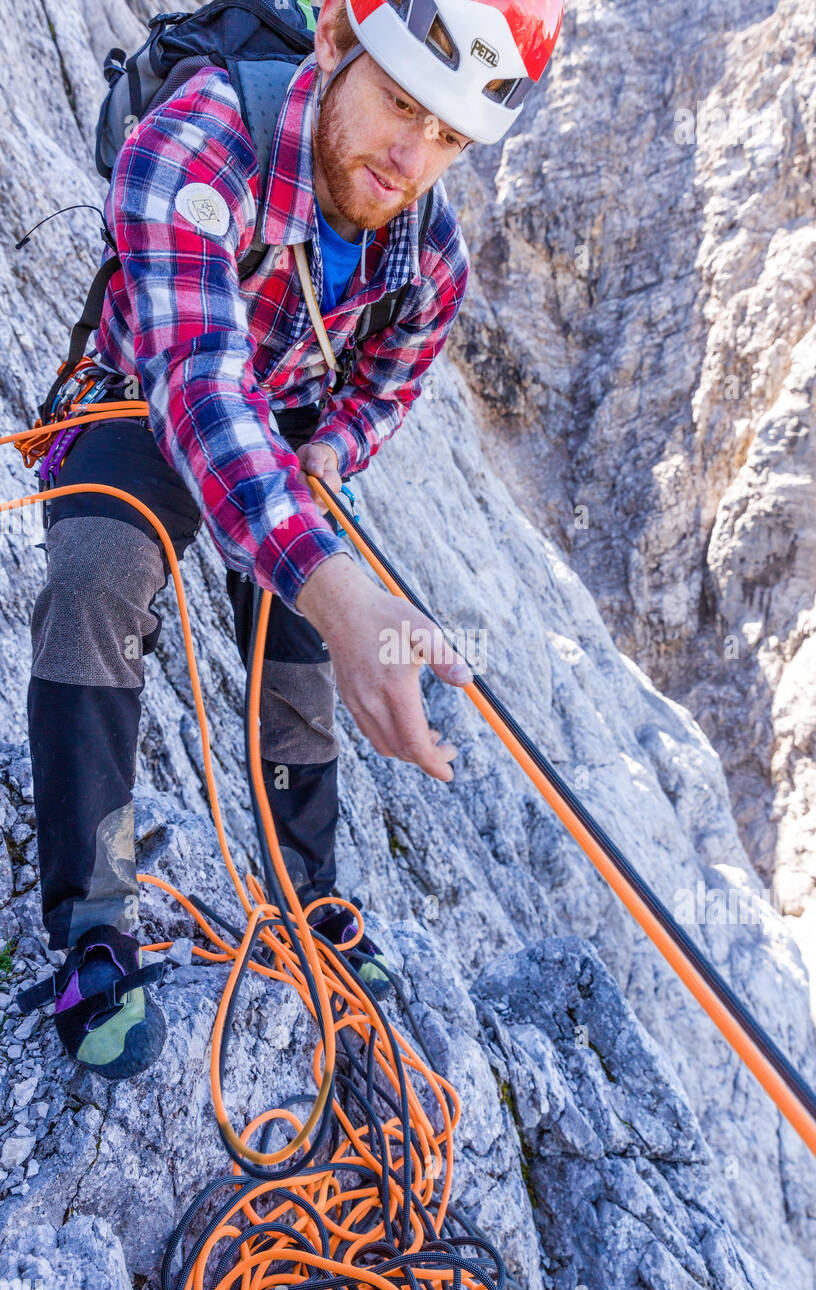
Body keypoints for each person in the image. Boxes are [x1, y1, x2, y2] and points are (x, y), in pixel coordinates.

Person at [23, 0, 564, 1077]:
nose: (413, 157)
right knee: (98, 577)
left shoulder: (430, 255)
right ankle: (95, 923)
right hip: (144, 394)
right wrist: (333, 580)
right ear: (330, 44)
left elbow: (383, 386)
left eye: (449, 136)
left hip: (278, 432)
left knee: (298, 661)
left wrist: (336, 450)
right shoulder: (190, 142)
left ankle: (304, 893)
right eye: (401, 104)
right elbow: (200, 386)